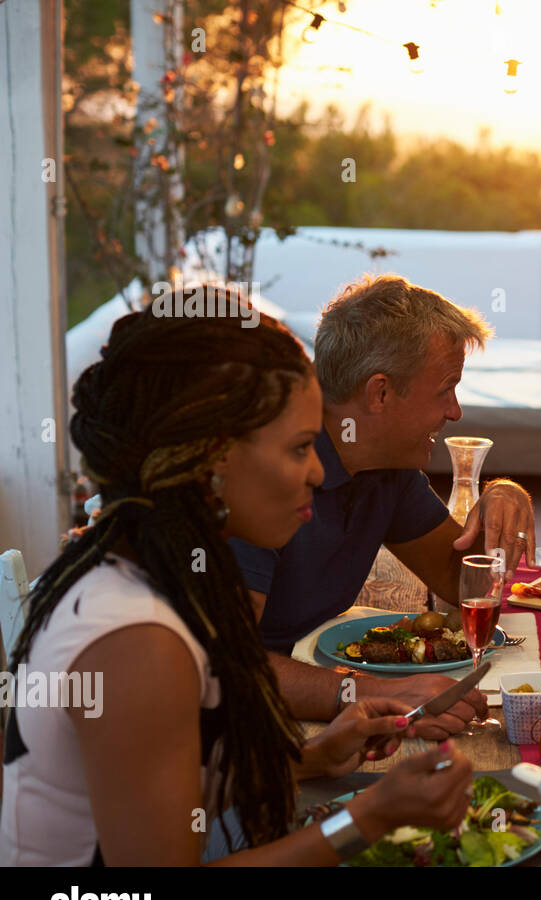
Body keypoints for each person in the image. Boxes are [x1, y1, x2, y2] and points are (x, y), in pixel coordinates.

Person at [1, 294, 472, 865]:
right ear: (214, 459)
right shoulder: (135, 642)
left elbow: (176, 780)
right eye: (300, 448)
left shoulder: (156, 567)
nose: (321, 471)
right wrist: (369, 817)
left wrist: (315, 757)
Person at [230, 275, 537, 734]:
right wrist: (372, 693)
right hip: (245, 729)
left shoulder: (384, 468)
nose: (455, 411)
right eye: (446, 388)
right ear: (380, 393)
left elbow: (463, 586)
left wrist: (502, 497)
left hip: (315, 702)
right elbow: (225, 666)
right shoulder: (265, 472)